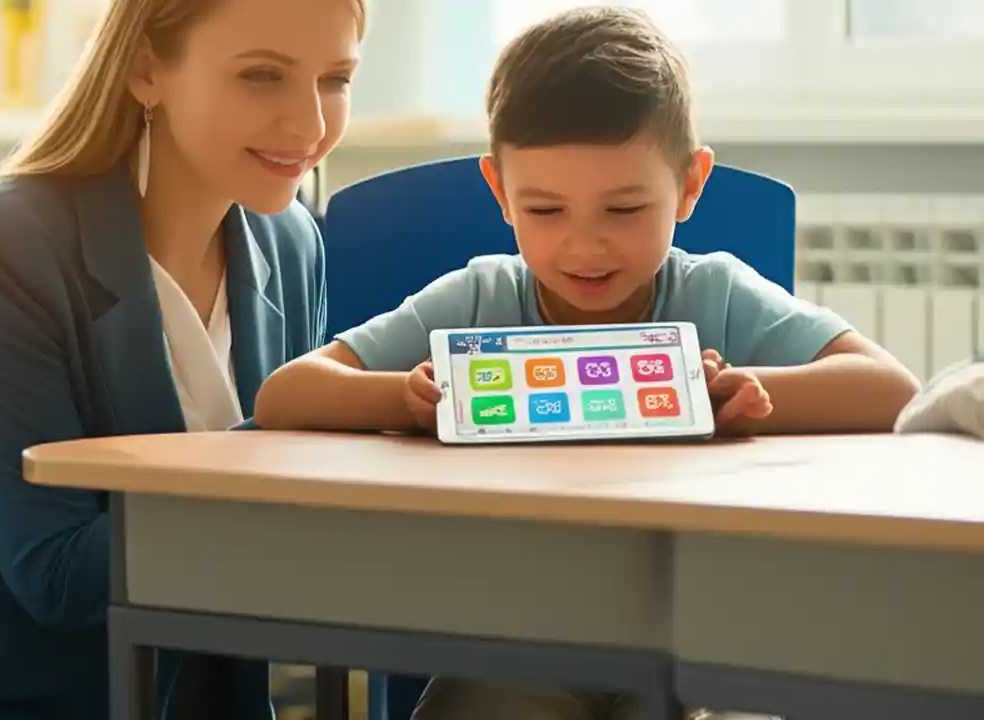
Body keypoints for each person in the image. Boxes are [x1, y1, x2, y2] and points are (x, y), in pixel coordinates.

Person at [253, 6, 919, 720]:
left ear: (690, 186)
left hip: (689, 649)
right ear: (500, 192)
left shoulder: (715, 294)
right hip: (513, 645)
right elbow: (286, 395)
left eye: (625, 210)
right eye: (545, 211)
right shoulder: (479, 299)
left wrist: (734, 398)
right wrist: (408, 403)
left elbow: (891, 390)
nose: (585, 248)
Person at [0, 0, 364, 718]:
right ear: (146, 69)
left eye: (336, 79)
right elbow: (56, 573)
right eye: (262, 77)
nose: (311, 124)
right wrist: (295, 475)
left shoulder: (291, 242)